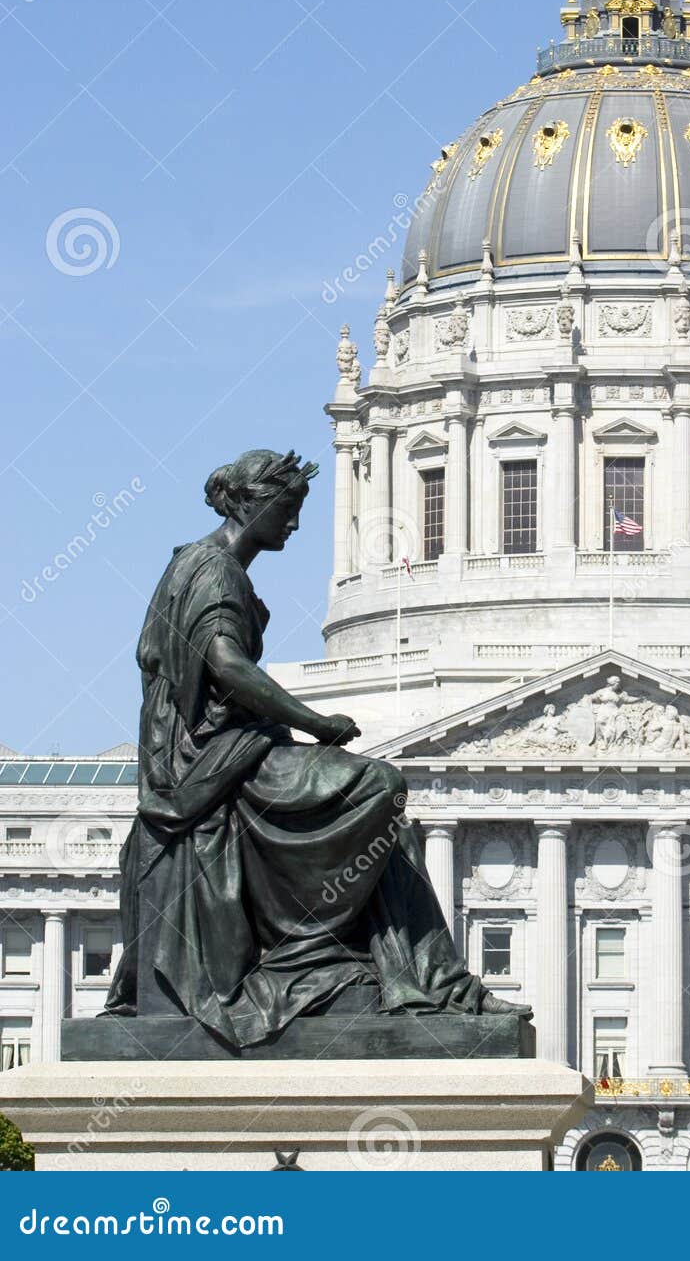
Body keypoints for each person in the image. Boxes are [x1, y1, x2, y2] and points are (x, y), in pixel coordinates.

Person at [104, 448, 529, 1049]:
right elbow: (226, 665)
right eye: (287, 508)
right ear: (248, 504)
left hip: (230, 748)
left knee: (388, 829)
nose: (296, 524)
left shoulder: (205, 564)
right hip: (205, 760)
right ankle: (318, 953)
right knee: (378, 785)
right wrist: (316, 721)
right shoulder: (213, 570)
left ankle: (429, 981)